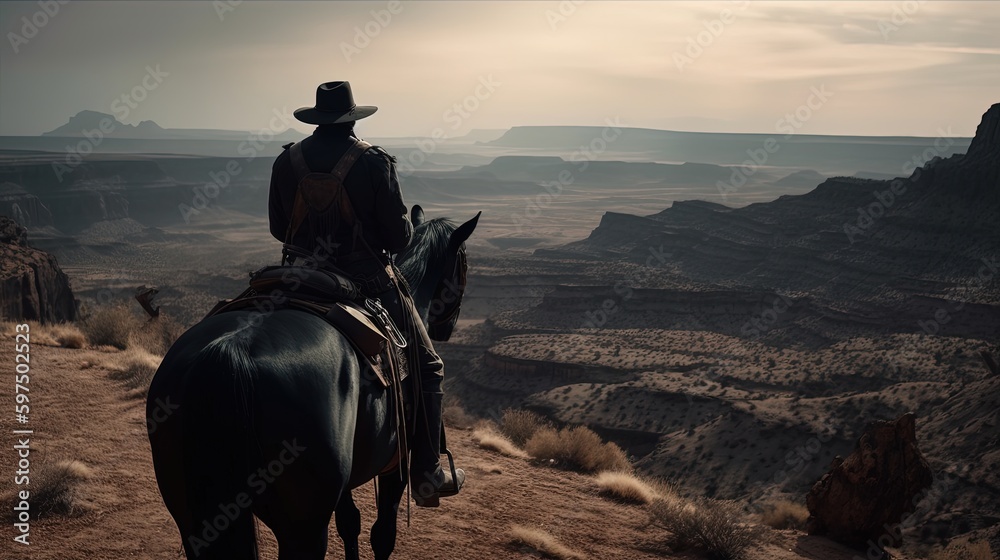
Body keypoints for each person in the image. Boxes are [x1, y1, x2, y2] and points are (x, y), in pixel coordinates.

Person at [267, 80, 465, 507]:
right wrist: (407, 228)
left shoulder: (287, 160)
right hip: (364, 280)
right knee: (429, 365)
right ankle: (427, 471)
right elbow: (397, 237)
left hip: (295, 276)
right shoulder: (374, 161)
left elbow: (277, 229)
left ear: (316, 118)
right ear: (353, 118)